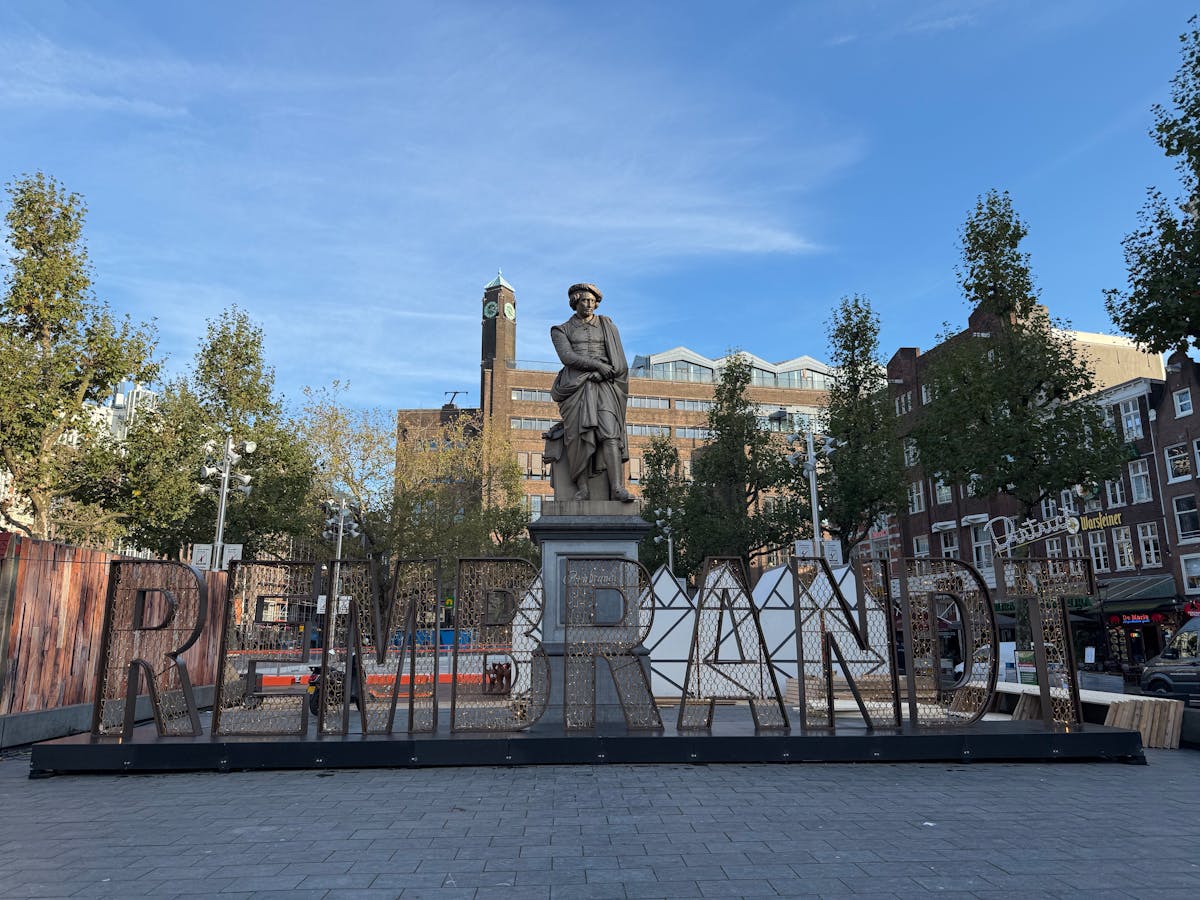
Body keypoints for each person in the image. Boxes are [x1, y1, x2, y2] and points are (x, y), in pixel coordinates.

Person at [550, 283, 633, 502]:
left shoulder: (607, 325)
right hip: (575, 387)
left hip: (604, 385)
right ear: (575, 302)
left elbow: (620, 361)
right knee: (577, 436)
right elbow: (568, 358)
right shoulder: (561, 330)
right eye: (584, 300)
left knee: (610, 432)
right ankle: (582, 488)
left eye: (592, 301)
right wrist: (597, 367)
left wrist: (605, 372)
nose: (589, 305)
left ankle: (617, 488)